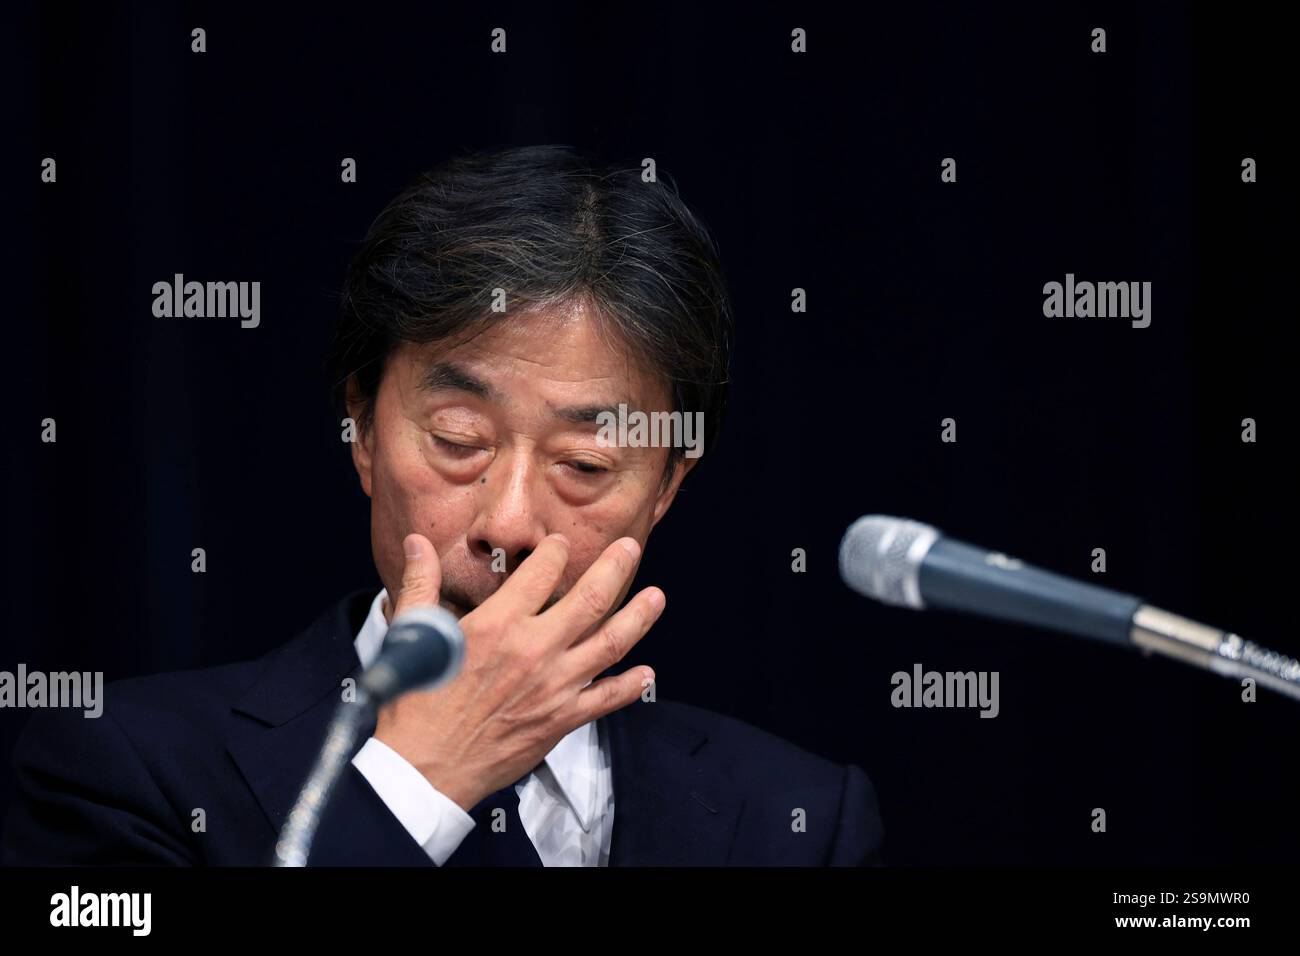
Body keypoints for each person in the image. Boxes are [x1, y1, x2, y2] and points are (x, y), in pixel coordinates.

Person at [2, 145, 884, 866]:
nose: (506, 523)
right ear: (362, 431)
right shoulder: (119, 767)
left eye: (584, 461)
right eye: (460, 440)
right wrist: (414, 785)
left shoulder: (798, 821)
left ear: (666, 490)